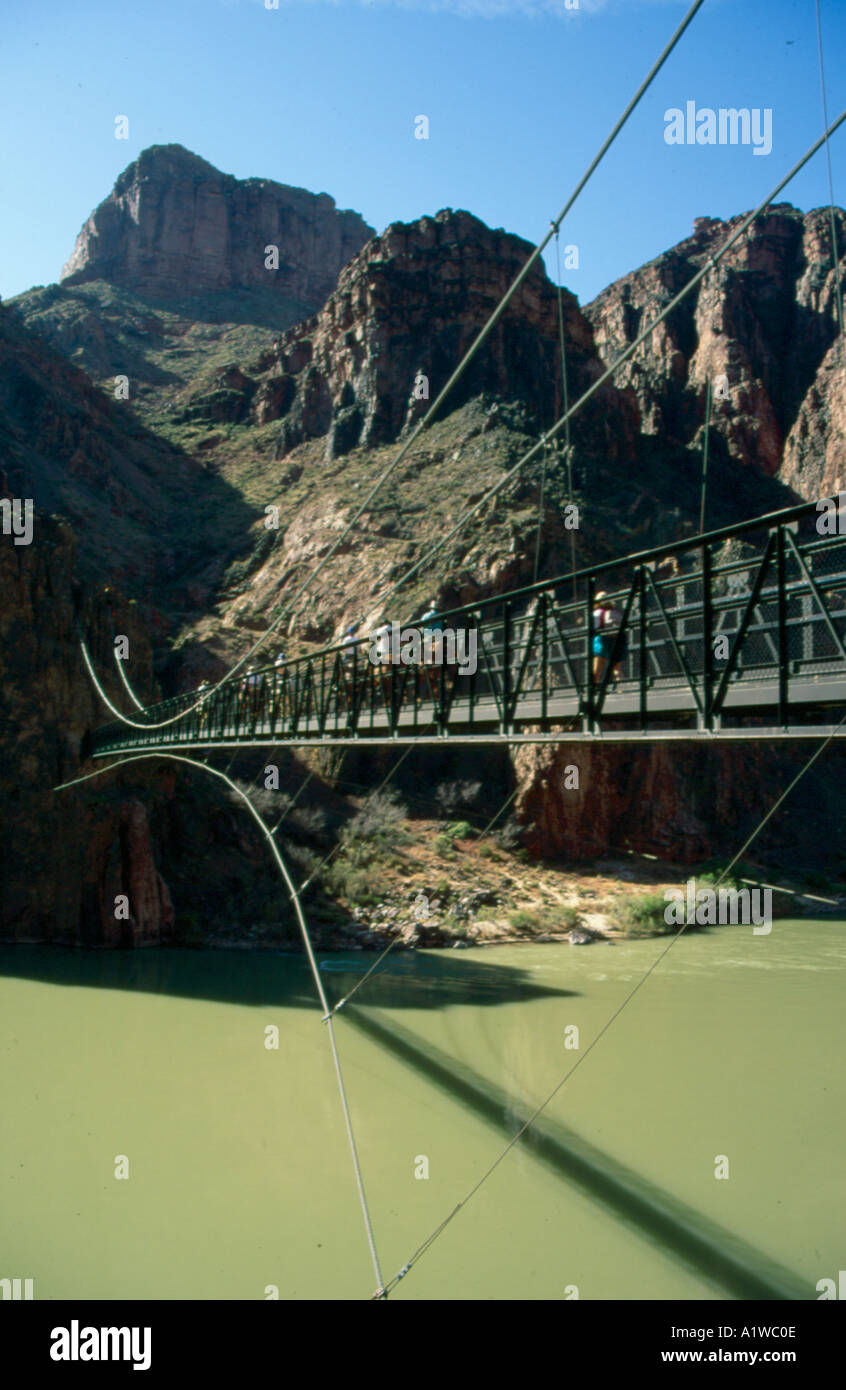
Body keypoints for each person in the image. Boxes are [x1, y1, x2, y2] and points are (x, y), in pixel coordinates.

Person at [592, 591, 625, 684]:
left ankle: (593, 688)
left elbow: (594, 627)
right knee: (617, 668)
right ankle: (622, 687)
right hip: (615, 640)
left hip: (602, 641)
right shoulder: (615, 612)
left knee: (596, 670)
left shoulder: (597, 613)